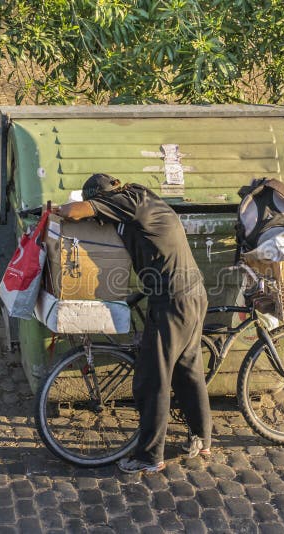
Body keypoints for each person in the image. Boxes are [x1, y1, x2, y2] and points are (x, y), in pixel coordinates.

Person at [53, 173, 212, 474]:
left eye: (97, 205)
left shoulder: (128, 203)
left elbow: (75, 211)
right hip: (189, 294)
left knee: (153, 378)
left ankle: (150, 457)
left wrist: (56, 211)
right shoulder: (140, 198)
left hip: (173, 300)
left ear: (103, 198)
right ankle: (202, 439)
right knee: (187, 371)